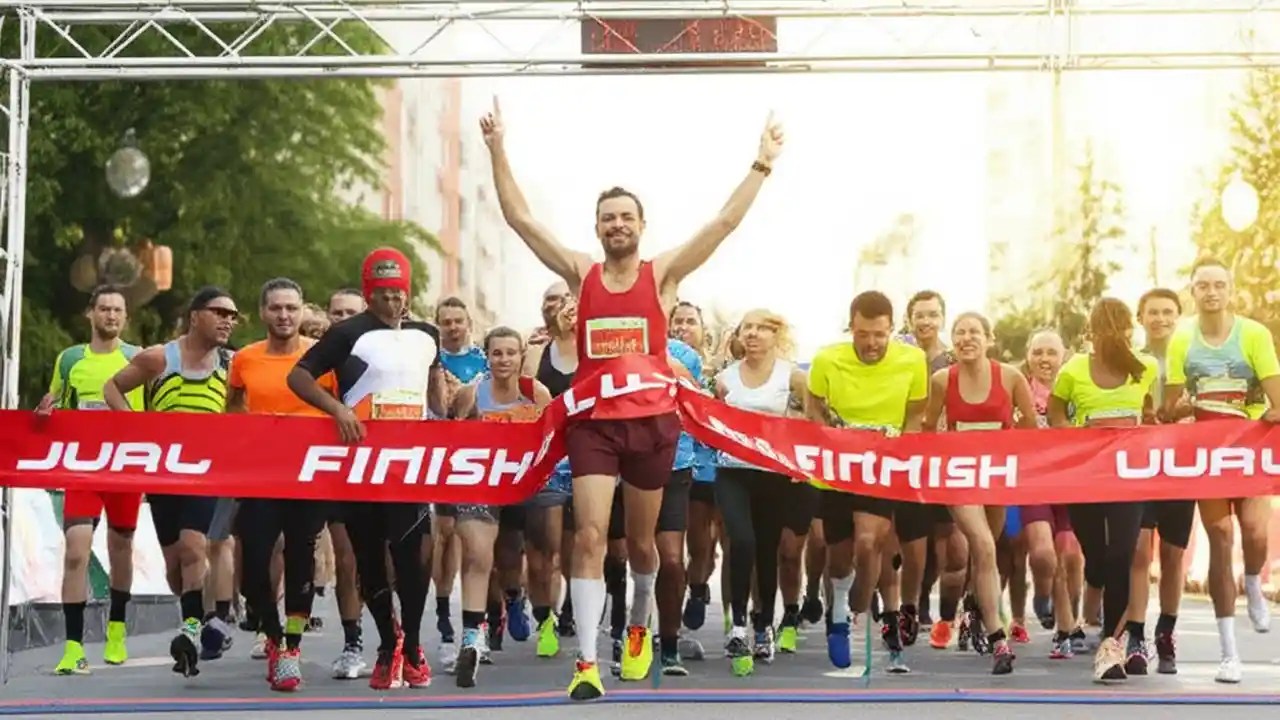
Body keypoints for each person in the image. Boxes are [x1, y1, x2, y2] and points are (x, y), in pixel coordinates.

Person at [481, 95, 783, 700]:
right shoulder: (580, 274)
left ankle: (640, 620)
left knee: (645, 547)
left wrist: (761, 164)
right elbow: (520, 220)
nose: (616, 225)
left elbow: (721, 226)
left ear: (641, 226)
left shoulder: (663, 277)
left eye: (626, 217)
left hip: (652, 425)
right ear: (597, 228)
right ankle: (588, 660)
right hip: (594, 425)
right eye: (607, 218)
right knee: (591, 536)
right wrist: (497, 149)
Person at [288, 247, 447, 690]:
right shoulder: (347, 334)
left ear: (408, 292)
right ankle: (385, 643)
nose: (391, 303)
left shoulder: (426, 334)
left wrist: (446, 408)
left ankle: (413, 646)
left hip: (409, 465)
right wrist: (337, 409)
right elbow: (299, 377)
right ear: (367, 293)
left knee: (412, 558)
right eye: (381, 295)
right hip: (359, 463)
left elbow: (434, 394)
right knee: (370, 559)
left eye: (398, 294)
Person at [103, 286, 240, 677]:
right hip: (162, 472)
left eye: (233, 315)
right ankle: (196, 614)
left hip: (205, 472)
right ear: (196, 315)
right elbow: (112, 388)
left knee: (195, 545)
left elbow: (239, 411)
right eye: (220, 312)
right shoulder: (160, 357)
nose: (228, 320)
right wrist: (134, 427)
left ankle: (194, 627)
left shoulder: (230, 365)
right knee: (174, 565)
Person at [1159, 258, 1280, 684]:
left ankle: (1252, 584)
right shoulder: (1182, 340)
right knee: (1221, 537)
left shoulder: (1253, 334)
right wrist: (1183, 410)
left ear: (1231, 289)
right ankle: (1230, 654)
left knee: (1253, 529)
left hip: (1247, 447)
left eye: (1219, 285)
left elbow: (1277, 399)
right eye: (1203, 286)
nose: (1211, 292)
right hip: (1207, 451)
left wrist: (1261, 416)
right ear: (1193, 292)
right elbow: (1168, 408)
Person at [805, 290, 929, 675]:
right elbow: (813, 408)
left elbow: (915, 415)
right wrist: (830, 438)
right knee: (839, 556)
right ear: (851, 328)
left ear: (893, 329)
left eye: (879, 334)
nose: (872, 343)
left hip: (883, 468)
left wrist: (899, 455)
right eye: (863, 334)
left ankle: (866, 608)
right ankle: (839, 610)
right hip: (838, 469)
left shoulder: (913, 360)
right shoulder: (827, 359)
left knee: (870, 540)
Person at [227, 278, 335, 691]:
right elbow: (233, 408)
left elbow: (342, 408)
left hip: (309, 475)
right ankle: (271, 635)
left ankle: (290, 647)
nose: (285, 316)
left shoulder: (321, 359)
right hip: (260, 475)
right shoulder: (245, 359)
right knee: (254, 565)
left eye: (291, 308)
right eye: (276, 308)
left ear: (303, 310)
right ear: (262, 313)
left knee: (300, 557)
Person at [1049, 297, 1159, 683]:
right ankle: (1093, 604)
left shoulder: (1145, 368)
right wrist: (1077, 436)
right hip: (1085, 475)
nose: (1113, 336)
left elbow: (1151, 412)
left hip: (1130, 475)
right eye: (1105, 329)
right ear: (1090, 334)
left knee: (1122, 554)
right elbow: (1055, 412)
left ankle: (1111, 647)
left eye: (1120, 327)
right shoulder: (1074, 369)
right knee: (1096, 556)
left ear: (1131, 331)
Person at [922, 311, 1038, 675]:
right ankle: (998, 639)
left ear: (989, 339)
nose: (966, 338)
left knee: (987, 550)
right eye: (960, 332)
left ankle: (974, 605)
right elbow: (927, 429)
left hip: (998, 476)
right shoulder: (942, 380)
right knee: (984, 545)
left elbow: (1032, 429)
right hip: (959, 476)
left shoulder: (1011, 377)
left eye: (974, 332)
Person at [39, 286, 144, 675]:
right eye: (104, 309)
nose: (111, 316)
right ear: (91, 314)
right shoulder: (69, 360)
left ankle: (116, 629)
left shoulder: (137, 359)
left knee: (121, 549)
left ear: (126, 317)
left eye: (118, 310)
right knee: (75, 551)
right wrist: (43, 415)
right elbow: (54, 406)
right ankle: (72, 646)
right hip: (82, 468)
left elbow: (152, 417)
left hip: (125, 468)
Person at [449, 326, 552, 688]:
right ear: (487, 356)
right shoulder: (471, 394)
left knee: (511, 558)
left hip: (523, 486)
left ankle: (515, 597)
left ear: (522, 356)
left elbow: (550, 438)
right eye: (497, 353)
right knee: (477, 556)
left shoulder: (536, 392)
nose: (504, 360)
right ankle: (472, 638)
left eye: (511, 352)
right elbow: (450, 437)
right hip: (480, 486)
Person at [713, 309, 813, 676]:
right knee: (742, 541)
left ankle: (763, 626)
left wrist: (801, 464)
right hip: (732, 472)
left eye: (760, 328)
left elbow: (812, 425)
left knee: (768, 548)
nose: (752, 335)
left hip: (772, 476)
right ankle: (738, 625)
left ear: (776, 334)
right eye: (747, 329)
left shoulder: (794, 377)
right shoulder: (724, 380)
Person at [1126, 287, 1193, 675]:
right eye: (1153, 312)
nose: (1161, 318)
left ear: (1178, 316)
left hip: (1181, 468)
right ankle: (1135, 633)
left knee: (1172, 554)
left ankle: (1166, 630)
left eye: (1168, 312)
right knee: (1138, 551)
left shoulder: (1192, 358)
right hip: (1139, 467)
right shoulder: (1132, 361)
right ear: (1141, 318)